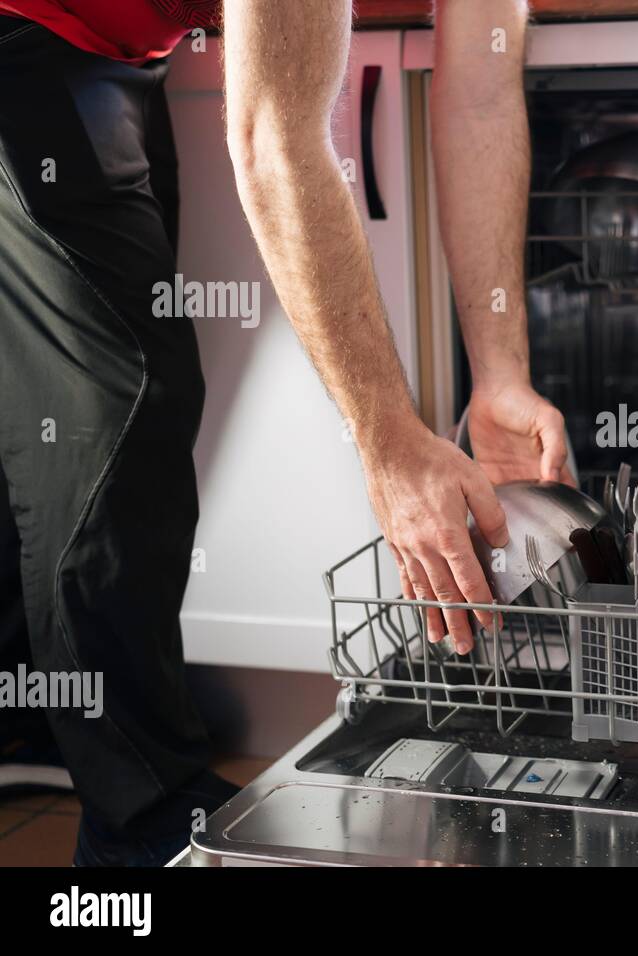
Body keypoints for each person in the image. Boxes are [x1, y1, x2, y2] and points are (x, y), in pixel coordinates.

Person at [0, 0, 564, 865]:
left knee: (56, 391)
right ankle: (140, 825)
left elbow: (482, 94)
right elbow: (276, 142)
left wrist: (500, 378)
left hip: (113, 41)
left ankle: (36, 718)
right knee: (118, 410)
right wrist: (388, 440)